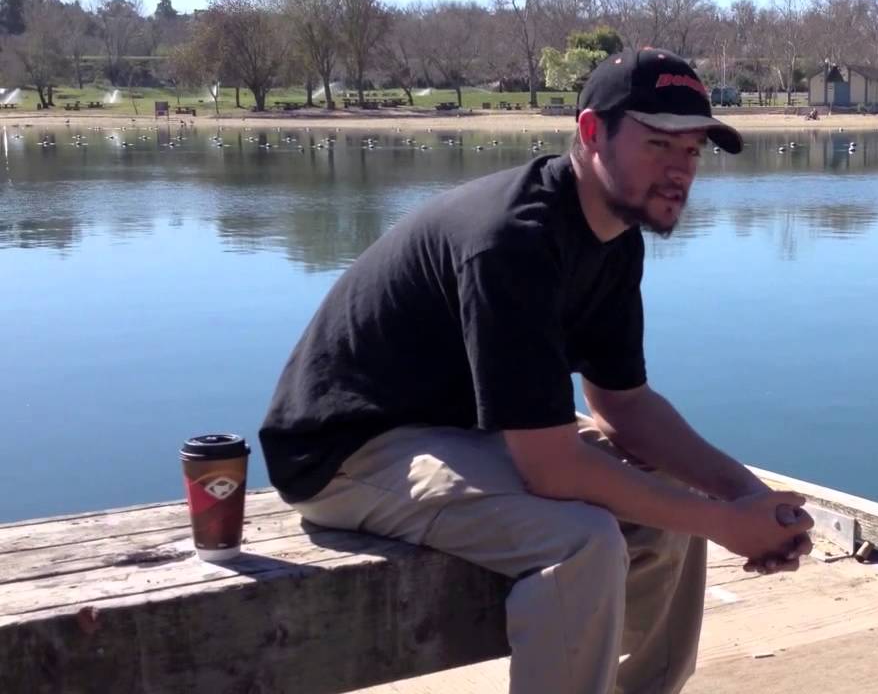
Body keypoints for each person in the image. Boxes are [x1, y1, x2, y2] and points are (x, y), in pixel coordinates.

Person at [258, 47, 815, 694]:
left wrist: (746, 499)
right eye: (659, 143)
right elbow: (550, 469)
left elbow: (624, 406)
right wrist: (724, 524)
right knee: (581, 540)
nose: (680, 170)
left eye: (692, 151)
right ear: (589, 132)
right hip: (346, 455)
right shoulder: (510, 242)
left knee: (672, 503)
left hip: (463, 433)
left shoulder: (613, 237)